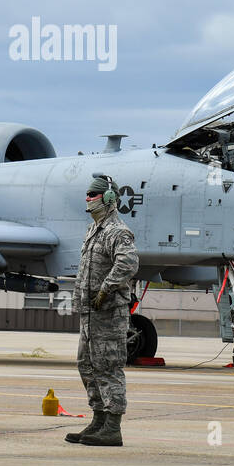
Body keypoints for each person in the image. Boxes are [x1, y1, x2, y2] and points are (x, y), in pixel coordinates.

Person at [66, 175, 140, 447]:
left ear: (109, 199)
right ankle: (98, 419)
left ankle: (113, 426)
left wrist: (105, 289)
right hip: (90, 313)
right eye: (87, 194)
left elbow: (128, 264)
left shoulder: (118, 232)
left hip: (108, 313)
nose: (88, 198)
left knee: (108, 367)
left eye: (93, 194)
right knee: (87, 365)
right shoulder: (93, 229)